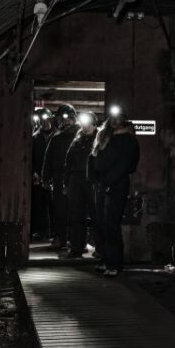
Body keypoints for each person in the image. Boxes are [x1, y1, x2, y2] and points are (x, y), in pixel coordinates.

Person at [90, 105, 140, 276]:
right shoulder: (105, 136)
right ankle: (105, 259)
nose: (115, 120)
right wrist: (96, 179)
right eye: (112, 117)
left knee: (111, 224)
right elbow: (95, 157)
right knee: (101, 223)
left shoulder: (128, 139)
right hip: (102, 185)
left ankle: (115, 264)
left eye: (118, 117)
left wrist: (109, 181)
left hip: (116, 186)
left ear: (124, 119)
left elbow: (127, 165)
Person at [41, 104, 79, 250]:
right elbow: (48, 159)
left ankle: (75, 240)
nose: (66, 122)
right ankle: (60, 238)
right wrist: (45, 178)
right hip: (59, 178)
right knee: (59, 210)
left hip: (75, 179)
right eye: (63, 119)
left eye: (69, 119)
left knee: (76, 210)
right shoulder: (56, 138)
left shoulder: (81, 137)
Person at [63, 111, 98, 258]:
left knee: (97, 215)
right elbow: (68, 160)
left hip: (93, 181)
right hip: (76, 180)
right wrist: (67, 182)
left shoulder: (101, 138)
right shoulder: (78, 139)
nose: (84, 126)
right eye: (83, 123)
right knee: (76, 215)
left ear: (94, 124)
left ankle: (100, 248)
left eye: (87, 123)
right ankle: (77, 247)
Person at [31, 107, 54, 240]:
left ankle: (54, 232)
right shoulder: (35, 138)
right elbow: (31, 157)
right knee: (39, 204)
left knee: (54, 205)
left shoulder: (58, 136)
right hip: (39, 176)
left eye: (46, 119)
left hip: (54, 176)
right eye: (42, 120)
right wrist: (34, 172)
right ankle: (41, 231)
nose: (44, 123)